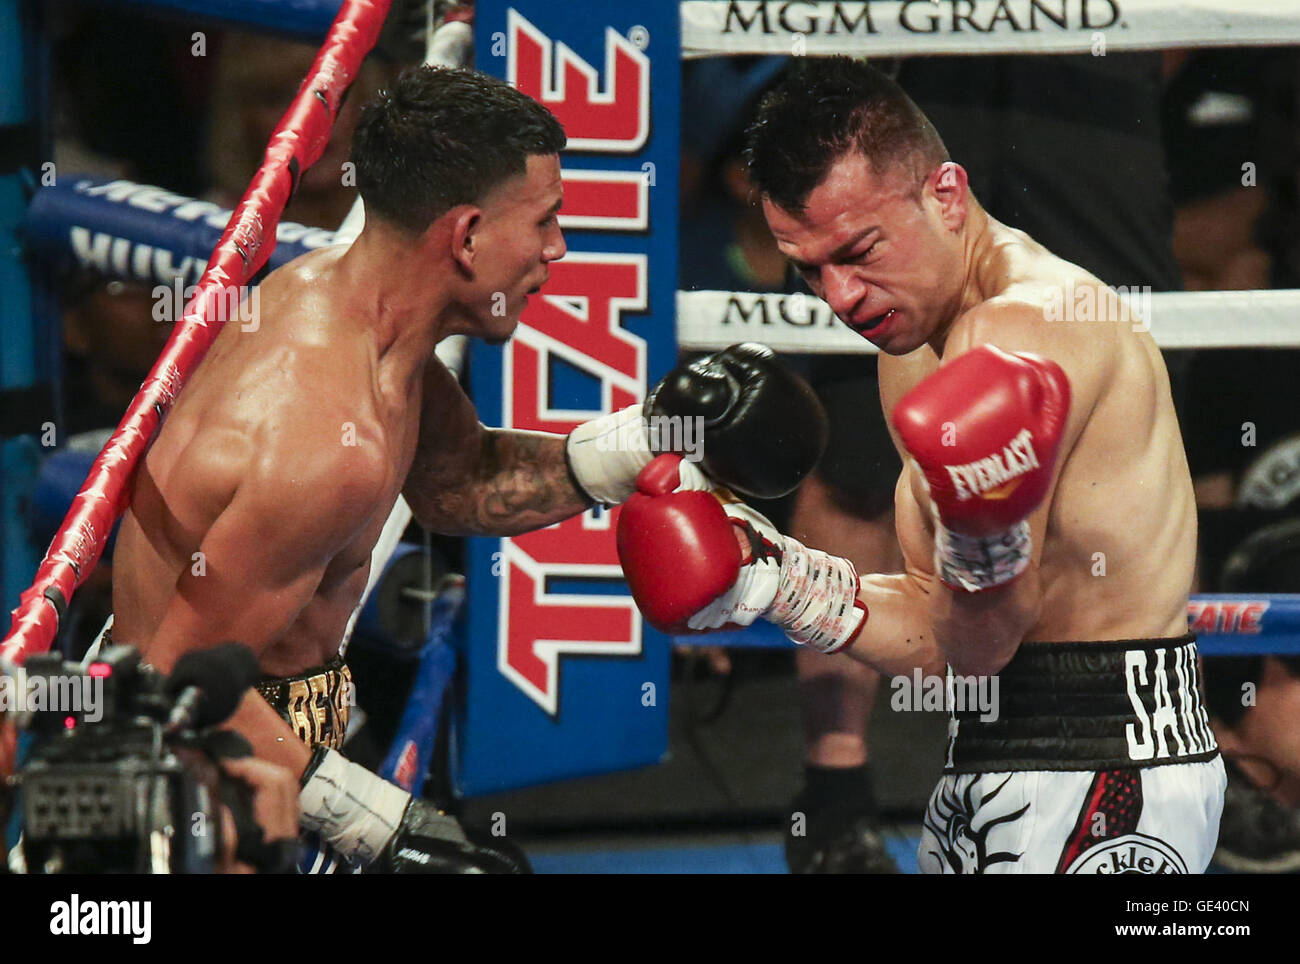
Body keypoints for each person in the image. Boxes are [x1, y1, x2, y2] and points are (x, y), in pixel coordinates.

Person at [106, 65, 824, 872]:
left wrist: (650, 435)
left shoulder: (341, 309)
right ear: (468, 234)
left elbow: (460, 481)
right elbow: (177, 685)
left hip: (278, 754)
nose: (558, 248)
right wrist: (392, 829)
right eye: (547, 221)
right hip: (207, 799)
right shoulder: (317, 440)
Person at [618, 57, 1225, 874]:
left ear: (945, 194)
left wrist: (983, 544)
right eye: (810, 269)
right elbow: (948, 638)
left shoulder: (1028, 328)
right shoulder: (916, 340)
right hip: (999, 755)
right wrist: (769, 576)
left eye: (859, 250)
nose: (841, 297)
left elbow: (981, 642)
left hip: (1104, 770)